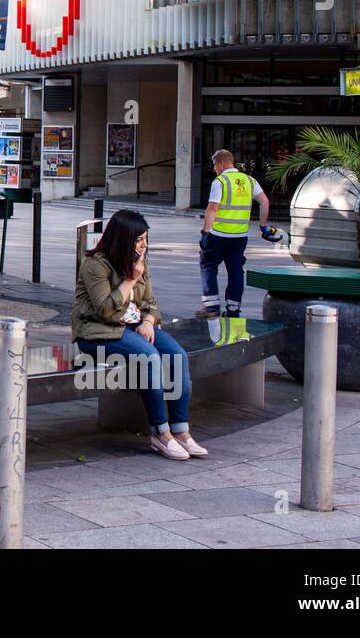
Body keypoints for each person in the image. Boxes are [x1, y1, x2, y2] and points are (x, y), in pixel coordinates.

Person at [73, 209, 207, 461]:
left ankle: (181, 430)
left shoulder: (139, 261)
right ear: (122, 238)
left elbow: (152, 303)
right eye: (138, 239)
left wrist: (148, 320)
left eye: (145, 238)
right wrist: (131, 280)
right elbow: (104, 309)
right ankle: (160, 433)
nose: (144, 245)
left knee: (177, 356)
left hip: (135, 327)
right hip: (98, 332)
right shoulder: (95, 264)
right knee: (149, 357)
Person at [198, 149, 279, 344]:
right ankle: (233, 308)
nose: (214, 169)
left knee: (208, 266)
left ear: (222, 164)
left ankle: (212, 307)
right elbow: (264, 202)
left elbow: (213, 208)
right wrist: (263, 226)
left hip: (218, 235)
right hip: (239, 237)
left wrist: (205, 232)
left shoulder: (220, 182)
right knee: (235, 271)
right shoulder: (250, 181)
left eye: (215, 165)